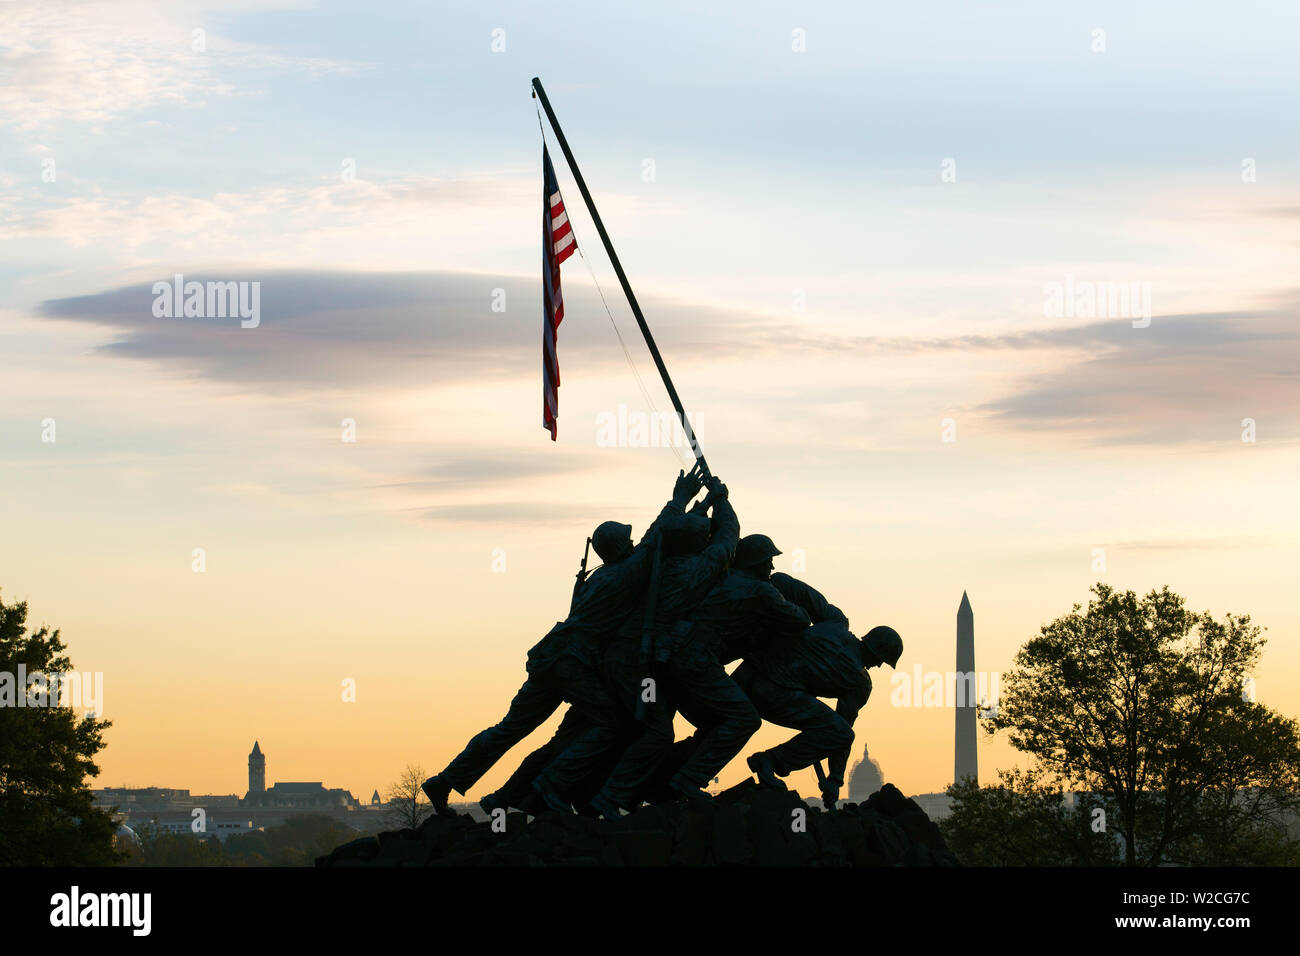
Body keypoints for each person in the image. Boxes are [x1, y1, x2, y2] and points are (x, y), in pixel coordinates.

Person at [419, 467, 703, 814]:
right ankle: (550, 786)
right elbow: (654, 540)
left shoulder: (595, 579)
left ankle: (444, 780)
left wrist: (694, 512)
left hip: (551, 655)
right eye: (626, 542)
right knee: (610, 722)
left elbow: (653, 544)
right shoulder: (623, 575)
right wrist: (680, 499)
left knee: (510, 728)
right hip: (574, 661)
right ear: (618, 548)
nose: (632, 545)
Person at [734, 579, 902, 807]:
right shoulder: (859, 683)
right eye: (882, 661)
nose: (880, 666)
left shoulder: (835, 622)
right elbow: (842, 733)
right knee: (840, 733)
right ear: (879, 656)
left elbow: (786, 583)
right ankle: (770, 761)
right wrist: (835, 780)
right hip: (772, 694)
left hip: (748, 673)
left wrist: (764, 590)